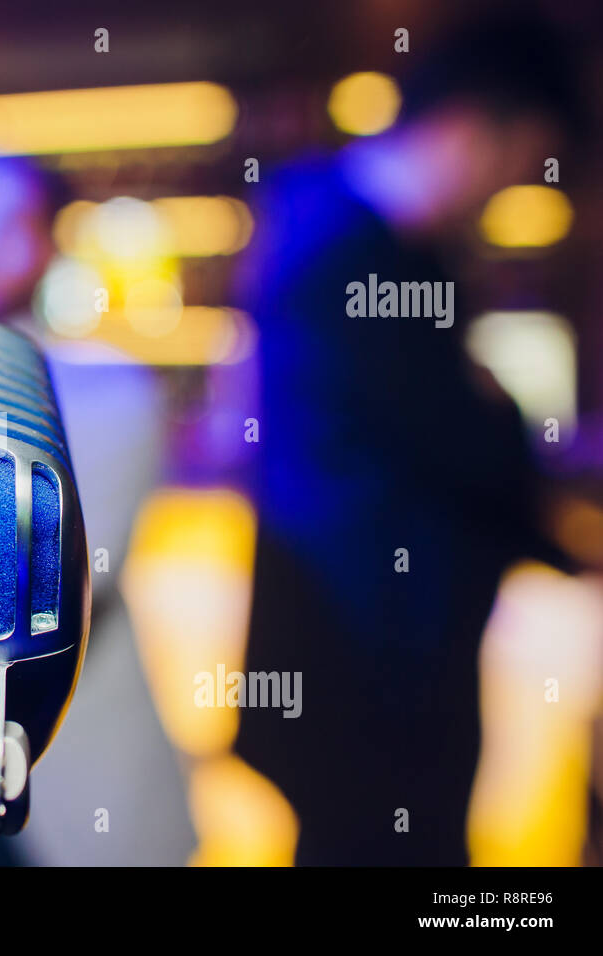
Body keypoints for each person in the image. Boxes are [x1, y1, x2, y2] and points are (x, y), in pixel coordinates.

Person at [231, 13, 586, 865]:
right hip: (368, 672)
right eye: (515, 162)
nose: (505, 190)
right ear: (473, 126)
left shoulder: (333, 229)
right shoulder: (356, 252)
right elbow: (462, 443)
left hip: (362, 667)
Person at [0, 155, 195, 865]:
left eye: (5, 224)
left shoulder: (106, 393)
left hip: (74, 767)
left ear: (47, 244)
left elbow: (41, 587)